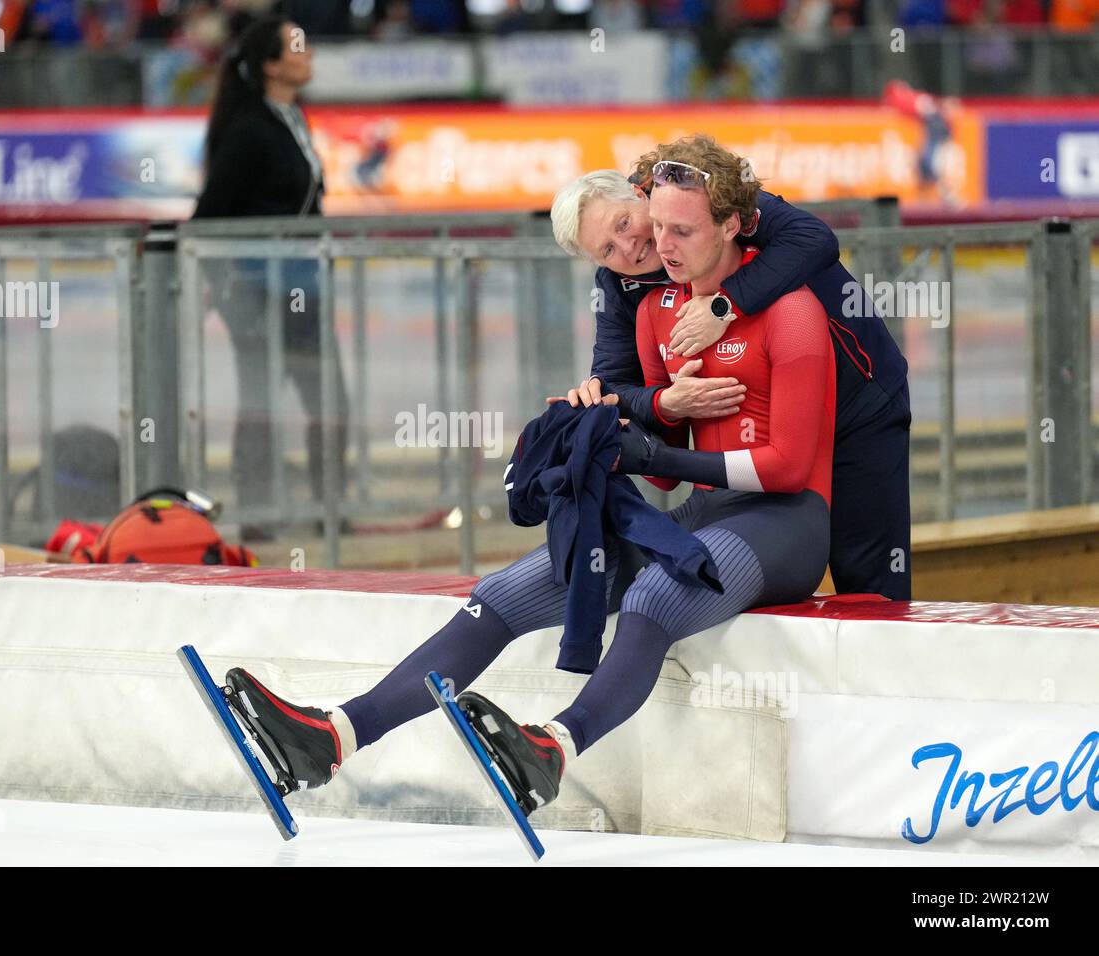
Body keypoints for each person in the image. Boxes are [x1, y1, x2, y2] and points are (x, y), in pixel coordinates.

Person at [217, 136, 836, 815]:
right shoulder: (656, 311)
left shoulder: (791, 310)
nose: (658, 247)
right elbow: (659, 473)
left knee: (655, 596)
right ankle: (333, 736)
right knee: (513, 588)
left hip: (787, 522)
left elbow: (786, 469)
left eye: (677, 230)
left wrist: (659, 456)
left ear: (730, 225)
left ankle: (552, 750)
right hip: (709, 512)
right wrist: (611, 428)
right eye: (653, 227)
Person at [548, 143, 911, 600]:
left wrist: (724, 305)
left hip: (858, 402)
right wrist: (660, 402)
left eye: (624, 225)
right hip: (758, 440)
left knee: (868, 579)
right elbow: (616, 384)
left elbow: (815, 239)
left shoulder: (701, 192)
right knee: (749, 576)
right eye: (607, 250)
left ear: (641, 197)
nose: (631, 247)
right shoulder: (620, 288)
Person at [191, 14, 348, 539]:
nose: (309, 56)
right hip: (258, 290)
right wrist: (223, 284)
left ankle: (329, 507)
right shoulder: (248, 130)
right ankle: (257, 514)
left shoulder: (291, 117)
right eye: (298, 48)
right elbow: (209, 217)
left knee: (328, 397)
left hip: (304, 286)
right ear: (270, 64)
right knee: (260, 400)